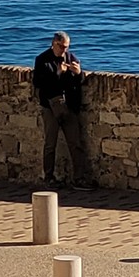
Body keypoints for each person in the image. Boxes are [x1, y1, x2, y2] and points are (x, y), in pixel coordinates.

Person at [31, 33, 94, 187]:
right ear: (54, 43)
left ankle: (78, 178)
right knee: (50, 144)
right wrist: (57, 74)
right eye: (62, 47)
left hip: (69, 106)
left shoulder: (71, 58)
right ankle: (49, 177)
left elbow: (78, 83)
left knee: (75, 143)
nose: (64, 50)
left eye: (66, 47)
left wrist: (79, 74)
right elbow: (39, 83)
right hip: (51, 107)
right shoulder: (42, 60)